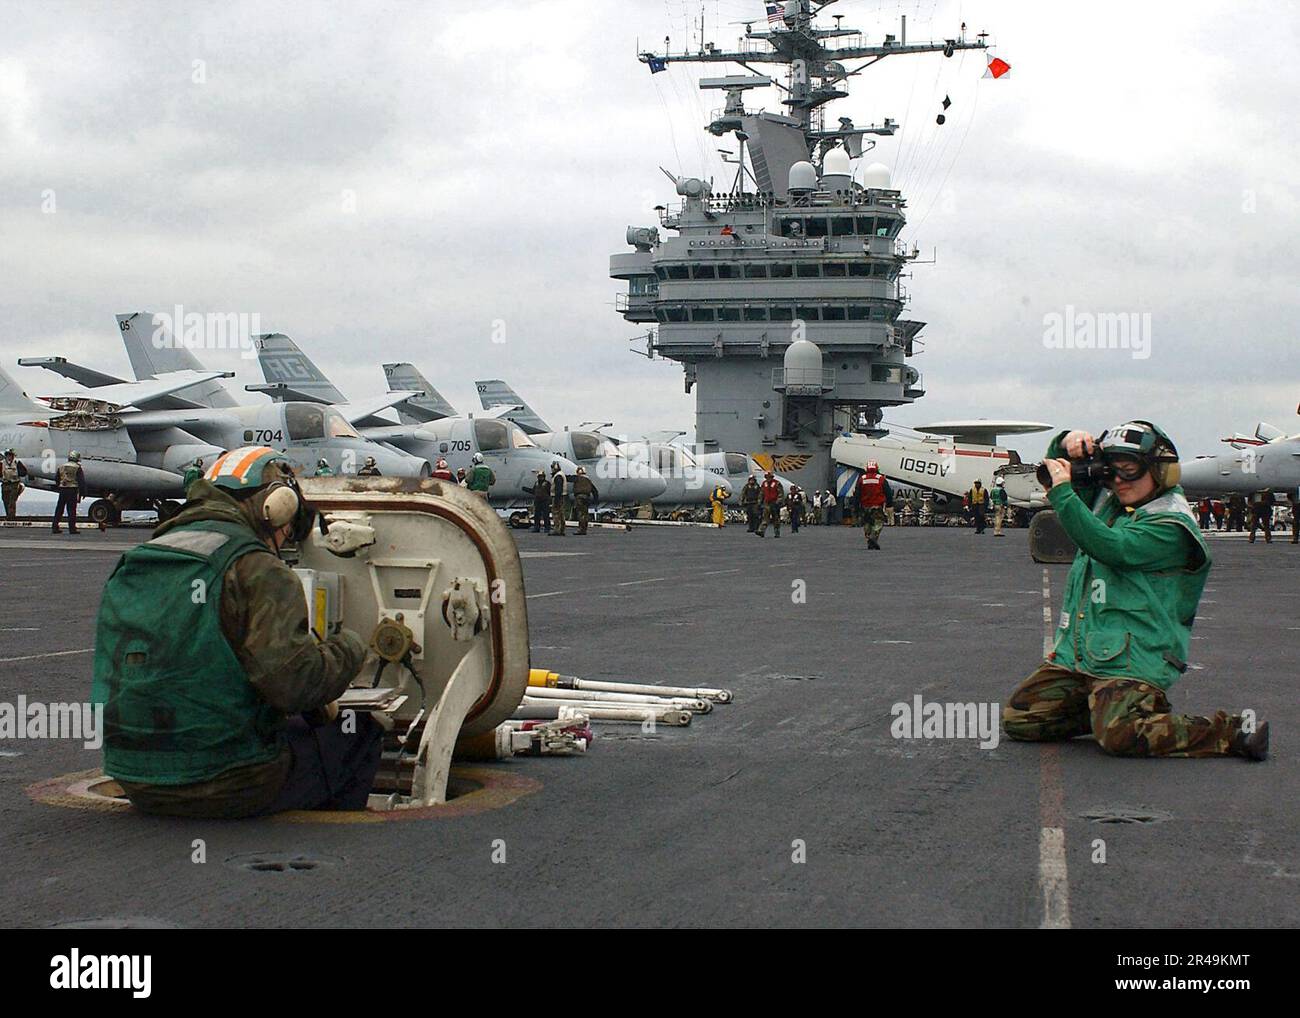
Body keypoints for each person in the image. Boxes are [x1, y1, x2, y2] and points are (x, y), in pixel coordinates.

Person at [91, 446, 382, 817]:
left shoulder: (144, 556)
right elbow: (294, 685)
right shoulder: (258, 568)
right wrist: (350, 648)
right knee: (358, 733)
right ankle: (323, 858)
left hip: (134, 780)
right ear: (275, 508)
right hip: (228, 784)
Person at [1003, 421, 1268, 761]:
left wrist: (1064, 494)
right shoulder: (1112, 502)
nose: (1117, 482)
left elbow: (1112, 547)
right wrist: (1065, 443)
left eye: (1129, 472)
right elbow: (1057, 469)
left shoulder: (1171, 525)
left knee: (1120, 737)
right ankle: (1110, 710)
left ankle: (1228, 732)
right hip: (1082, 656)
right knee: (1021, 719)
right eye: (1111, 473)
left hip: (1132, 661)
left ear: (1162, 472)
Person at [855, 460, 891, 550]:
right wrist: (889, 503)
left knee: (867, 523)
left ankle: (869, 540)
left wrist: (856, 506)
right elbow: (888, 492)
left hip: (865, 506)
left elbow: (857, 493)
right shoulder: (881, 478)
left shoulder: (862, 478)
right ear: (877, 468)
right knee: (878, 523)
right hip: (877, 506)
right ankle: (873, 538)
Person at [52, 451, 86, 534]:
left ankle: (55, 527)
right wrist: (83, 492)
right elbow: (81, 481)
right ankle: (72, 528)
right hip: (72, 490)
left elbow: (57, 479)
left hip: (63, 489)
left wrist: (59, 486)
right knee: (71, 510)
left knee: (59, 509)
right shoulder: (77, 467)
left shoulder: (61, 467)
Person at [755, 471, 784, 537]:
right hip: (767, 503)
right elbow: (761, 494)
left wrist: (778, 502)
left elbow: (780, 494)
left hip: (775, 503)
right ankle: (761, 531)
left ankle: (777, 532)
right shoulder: (764, 483)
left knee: (776, 519)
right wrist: (759, 502)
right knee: (765, 518)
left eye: (769, 477)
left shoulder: (777, 483)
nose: (768, 478)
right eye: (767, 477)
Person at [2, 447, 28, 520]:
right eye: (8, 455)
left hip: (14, 484)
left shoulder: (17, 462)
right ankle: (8, 515)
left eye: (11, 455)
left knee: (12, 501)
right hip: (5, 483)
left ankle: (11, 517)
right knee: (5, 500)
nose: (9, 457)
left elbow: (24, 472)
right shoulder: (2, 463)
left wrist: (16, 474)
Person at [573, 466, 598, 534]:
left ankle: (581, 529)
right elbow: (595, 491)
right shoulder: (588, 480)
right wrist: (595, 501)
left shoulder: (577, 478)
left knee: (580, 514)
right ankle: (584, 529)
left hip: (579, 497)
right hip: (587, 498)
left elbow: (569, 478)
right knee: (585, 513)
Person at [549, 461, 567, 536]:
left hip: (557, 497)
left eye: (552, 467)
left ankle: (557, 529)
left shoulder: (558, 476)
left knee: (556, 513)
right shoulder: (561, 475)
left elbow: (558, 489)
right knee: (561, 513)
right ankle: (561, 529)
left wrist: (556, 499)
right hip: (562, 496)